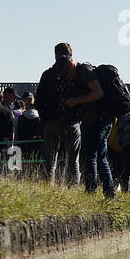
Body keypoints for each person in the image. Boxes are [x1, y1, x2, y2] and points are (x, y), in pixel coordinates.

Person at [55, 55, 114, 197]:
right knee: (94, 156)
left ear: (71, 65)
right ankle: (101, 191)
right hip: (91, 120)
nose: (67, 77)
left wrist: (76, 101)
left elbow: (98, 93)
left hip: (99, 120)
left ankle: (98, 191)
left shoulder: (85, 71)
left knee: (95, 156)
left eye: (66, 73)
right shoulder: (77, 74)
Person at [36, 45, 82, 187]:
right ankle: (73, 190)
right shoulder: (77, 72)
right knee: (73, 160)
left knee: (50, 160)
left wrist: (45, 118)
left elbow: (38, 101)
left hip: (52, 121)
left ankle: (47, 188)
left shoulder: (47, 74)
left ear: (55, 55)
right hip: (72, 121)